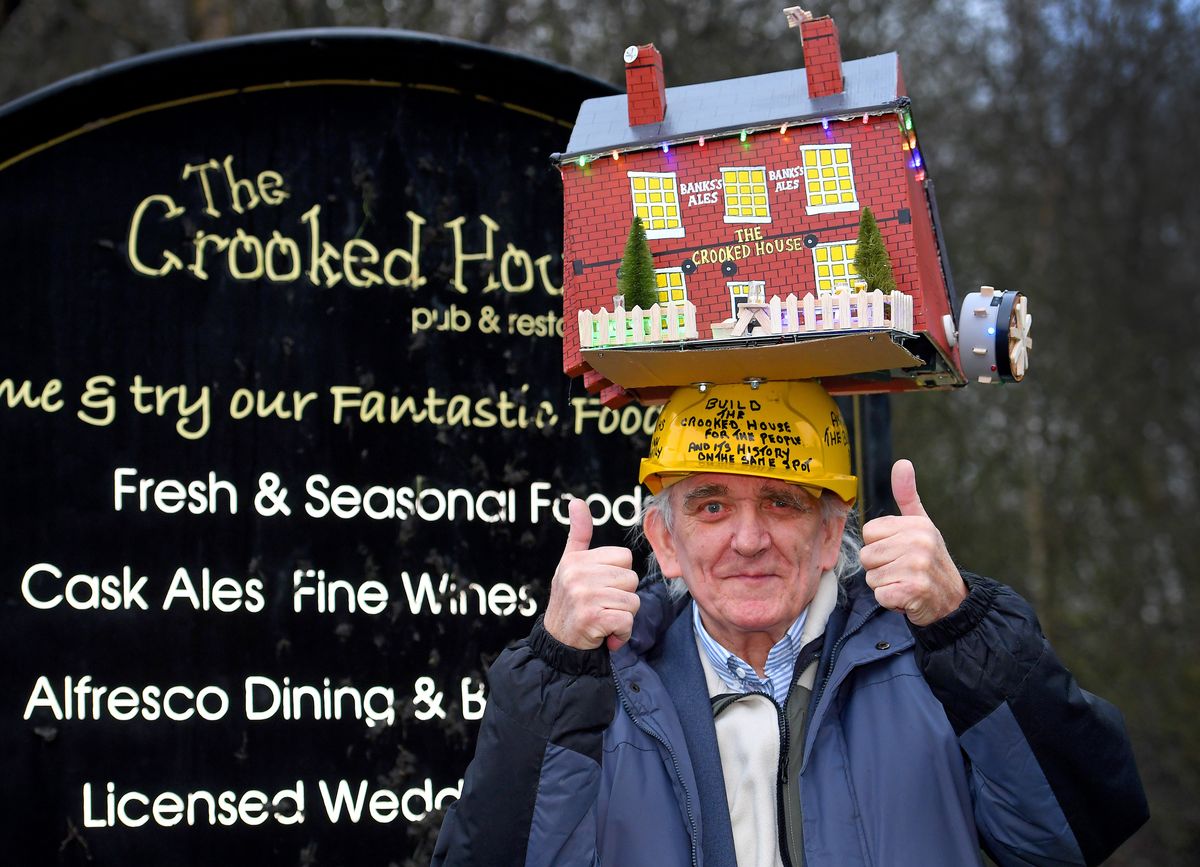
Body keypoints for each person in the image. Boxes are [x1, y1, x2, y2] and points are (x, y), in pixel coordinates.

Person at [432, 381, 1147, 866]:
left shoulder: (932, 659)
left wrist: (964, 625)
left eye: (782, 502)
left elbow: (1074, 834)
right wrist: (556, 667)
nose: (748, 540)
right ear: (665, 541)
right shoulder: (602, 693)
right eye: (713, 506)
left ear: (832, 534)